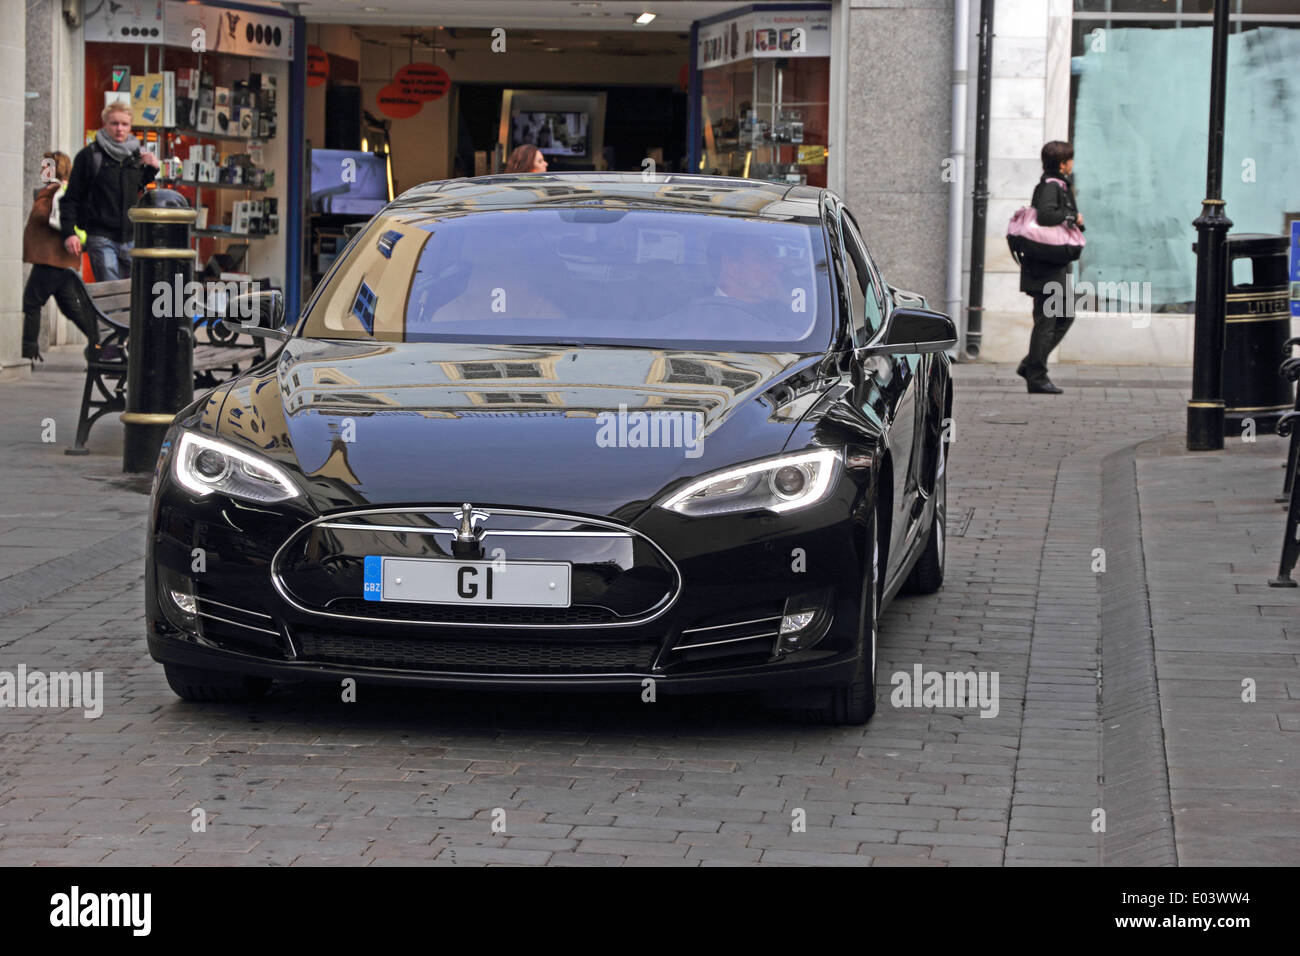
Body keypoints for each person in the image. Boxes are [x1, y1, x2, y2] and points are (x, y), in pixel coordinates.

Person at [59, 100, 160, 281]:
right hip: (101, 236)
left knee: (134, 293)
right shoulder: (89, 156)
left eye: (124, 124)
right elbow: (71, 198)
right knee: (111, 293)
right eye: (114, 123)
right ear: (105, 124)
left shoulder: (135, 156)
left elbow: (133, 188)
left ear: (130, 126)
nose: (119, 128)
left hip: (131, 237)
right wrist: (69, 233)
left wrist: (151, 169)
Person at [1017, 140, 1084, 395]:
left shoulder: (1057, 185)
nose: (1073, 163)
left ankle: (1031, 363)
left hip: (1054, 267)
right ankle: (1036, 375)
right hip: (1045, 269)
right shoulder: (1050, 187)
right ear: (1062, 163)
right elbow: (1045, 216)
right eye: (1070, 159)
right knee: (1047, 322)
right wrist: (1072, 217)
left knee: (1065, 316)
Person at [21, 151, 97, 365]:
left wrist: (43, 195)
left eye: (45, 166)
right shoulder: (59, 190)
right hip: (59, 260)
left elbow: (44, 217)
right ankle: (103, 340)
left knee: (31, 302)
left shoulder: (56, 191)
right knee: (71, 308)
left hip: (52, 260)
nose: (41, 170)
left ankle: (27, 353)